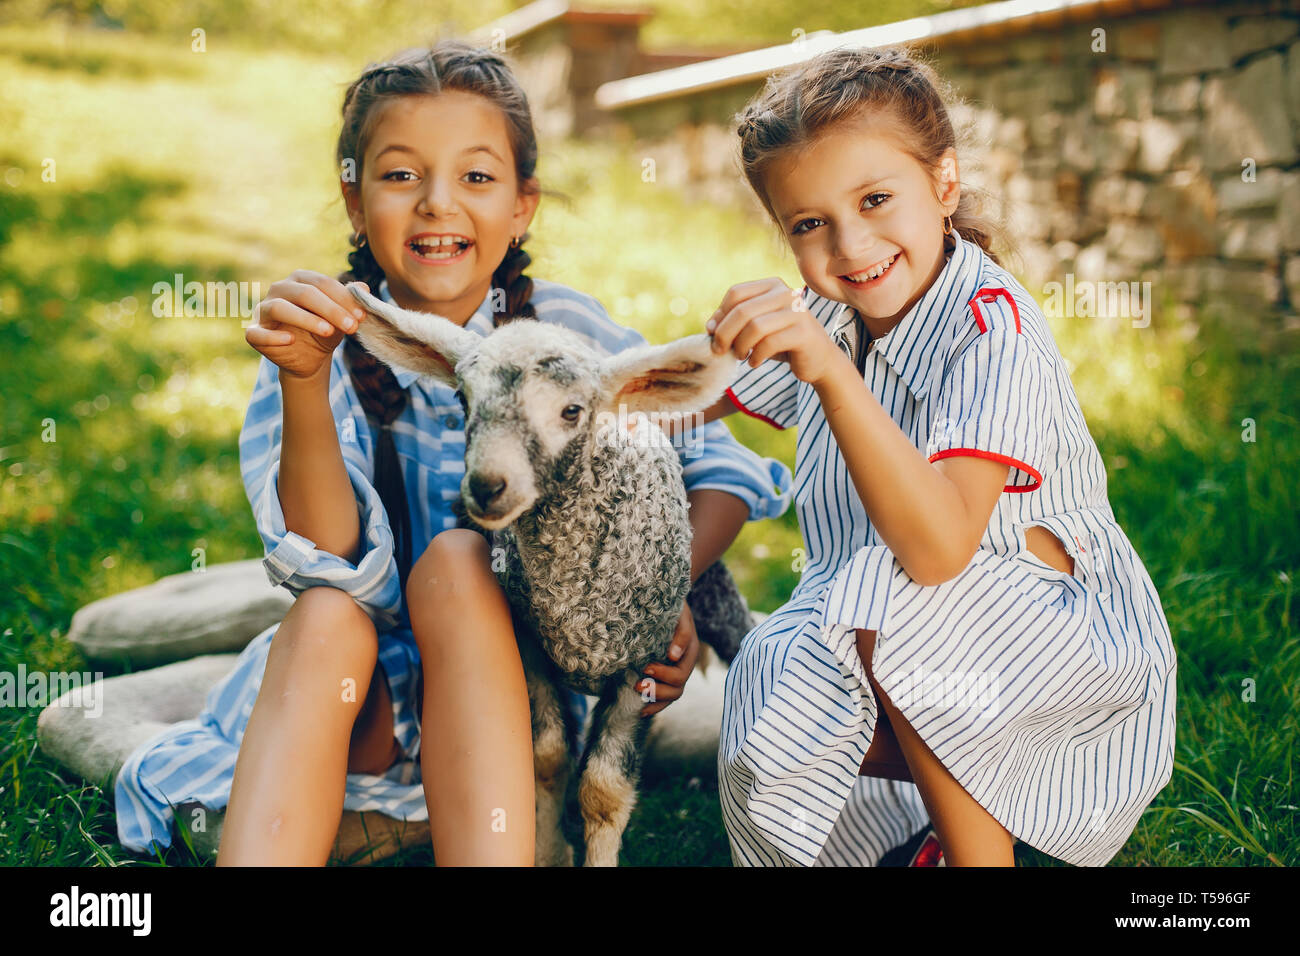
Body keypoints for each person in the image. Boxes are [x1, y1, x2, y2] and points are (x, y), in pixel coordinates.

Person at [113, 40, 791, 866]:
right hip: (363, 707)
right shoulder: (322, 343)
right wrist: (301, 382)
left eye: (476, 177)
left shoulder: (571, 339)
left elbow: (716, 471)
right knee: (328, 613)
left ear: (521, 206)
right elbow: (326, 560)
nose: (438, 204)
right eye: (400, 176)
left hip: (515, 696)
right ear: (355, 202)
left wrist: (656, 596)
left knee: (462, 559)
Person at [699, 45, 1176, 867]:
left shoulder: (992, 329)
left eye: (877, 199)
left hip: (1065, 659)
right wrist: (595, 396)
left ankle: (975, 855)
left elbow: (938, 548)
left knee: (893, 605)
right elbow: (695, 396)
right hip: (930, 644)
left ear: (944, 184)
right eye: (809, 224)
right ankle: (927, 828)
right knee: (771, 676)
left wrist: (830, 375)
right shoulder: (833, 311)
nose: (850, 246)